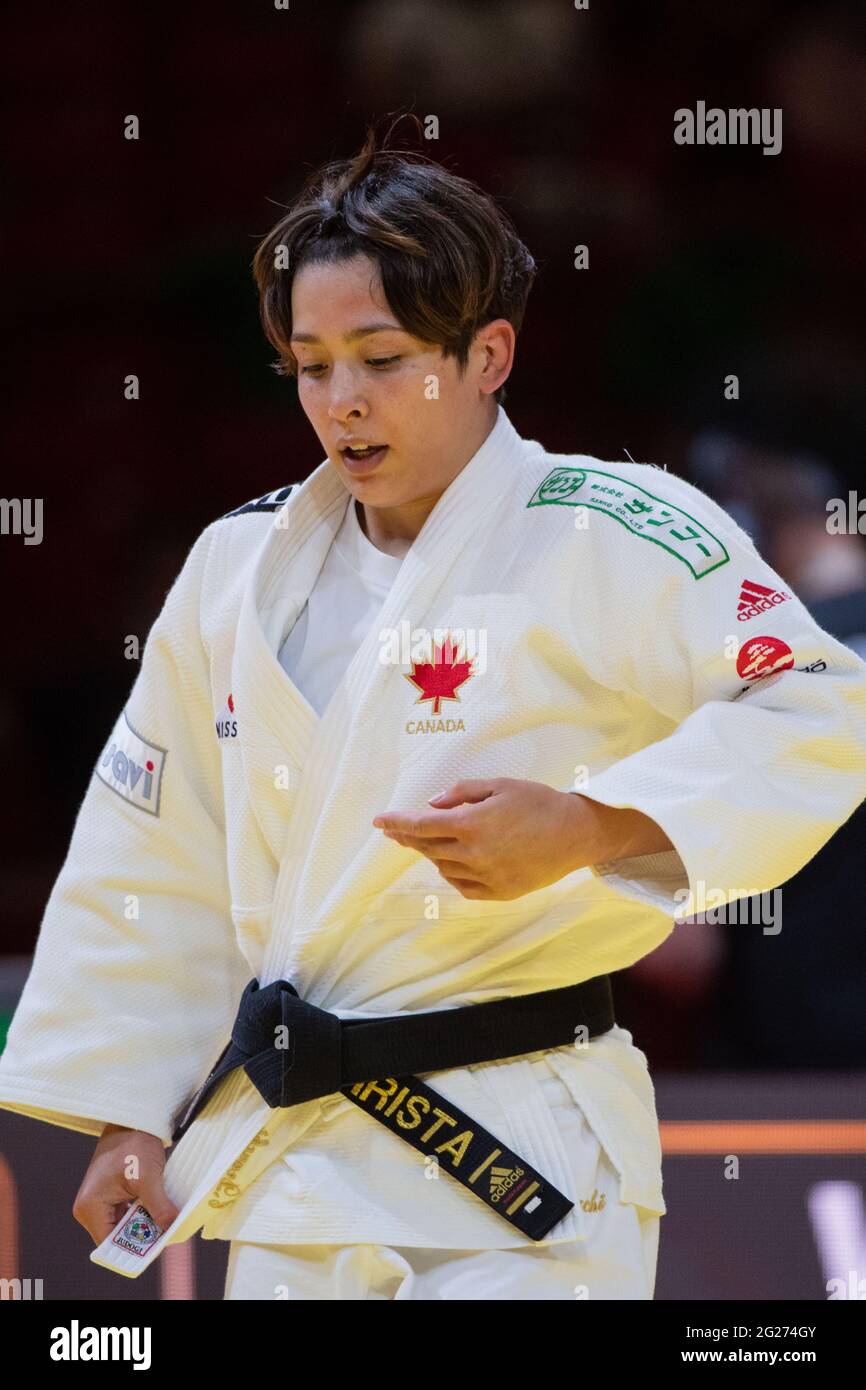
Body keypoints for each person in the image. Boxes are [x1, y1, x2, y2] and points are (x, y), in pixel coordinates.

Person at [2, 121, 865, 1302]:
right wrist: (125, 1109)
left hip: (527, 1155)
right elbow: (156, 846)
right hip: (299, 1161)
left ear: (488, 354)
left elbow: (821, 704)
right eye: (312, 365)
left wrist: (591, 822)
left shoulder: (612, 527)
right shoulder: (236, 568)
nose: (343, 401)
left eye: (381, 355)